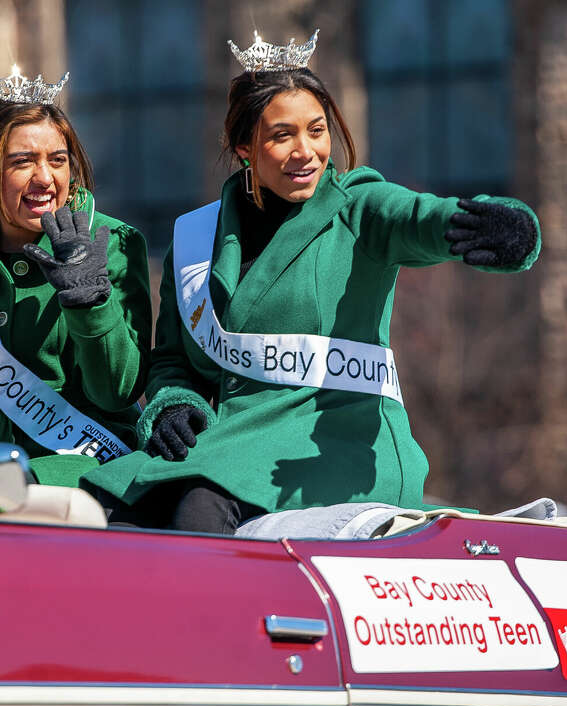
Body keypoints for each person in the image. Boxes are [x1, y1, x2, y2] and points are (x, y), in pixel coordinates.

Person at [84, 30, 541, 534]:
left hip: (337, 442)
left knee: (201, 506)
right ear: (244, 146)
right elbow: (174, 360)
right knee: (105, 507)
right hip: (231, 442)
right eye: (283, 136)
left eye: (317, 130)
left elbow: (416, 218)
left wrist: (481, 225)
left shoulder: (359, 207)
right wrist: (176, 403)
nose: (306, 151)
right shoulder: (196, 237)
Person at [0, 66, 151, 487]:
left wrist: (89, 304)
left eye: (58, 160)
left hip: (88, 462)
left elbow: (119, 392)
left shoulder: (113, 242)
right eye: (23, 162)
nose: (45, 178)